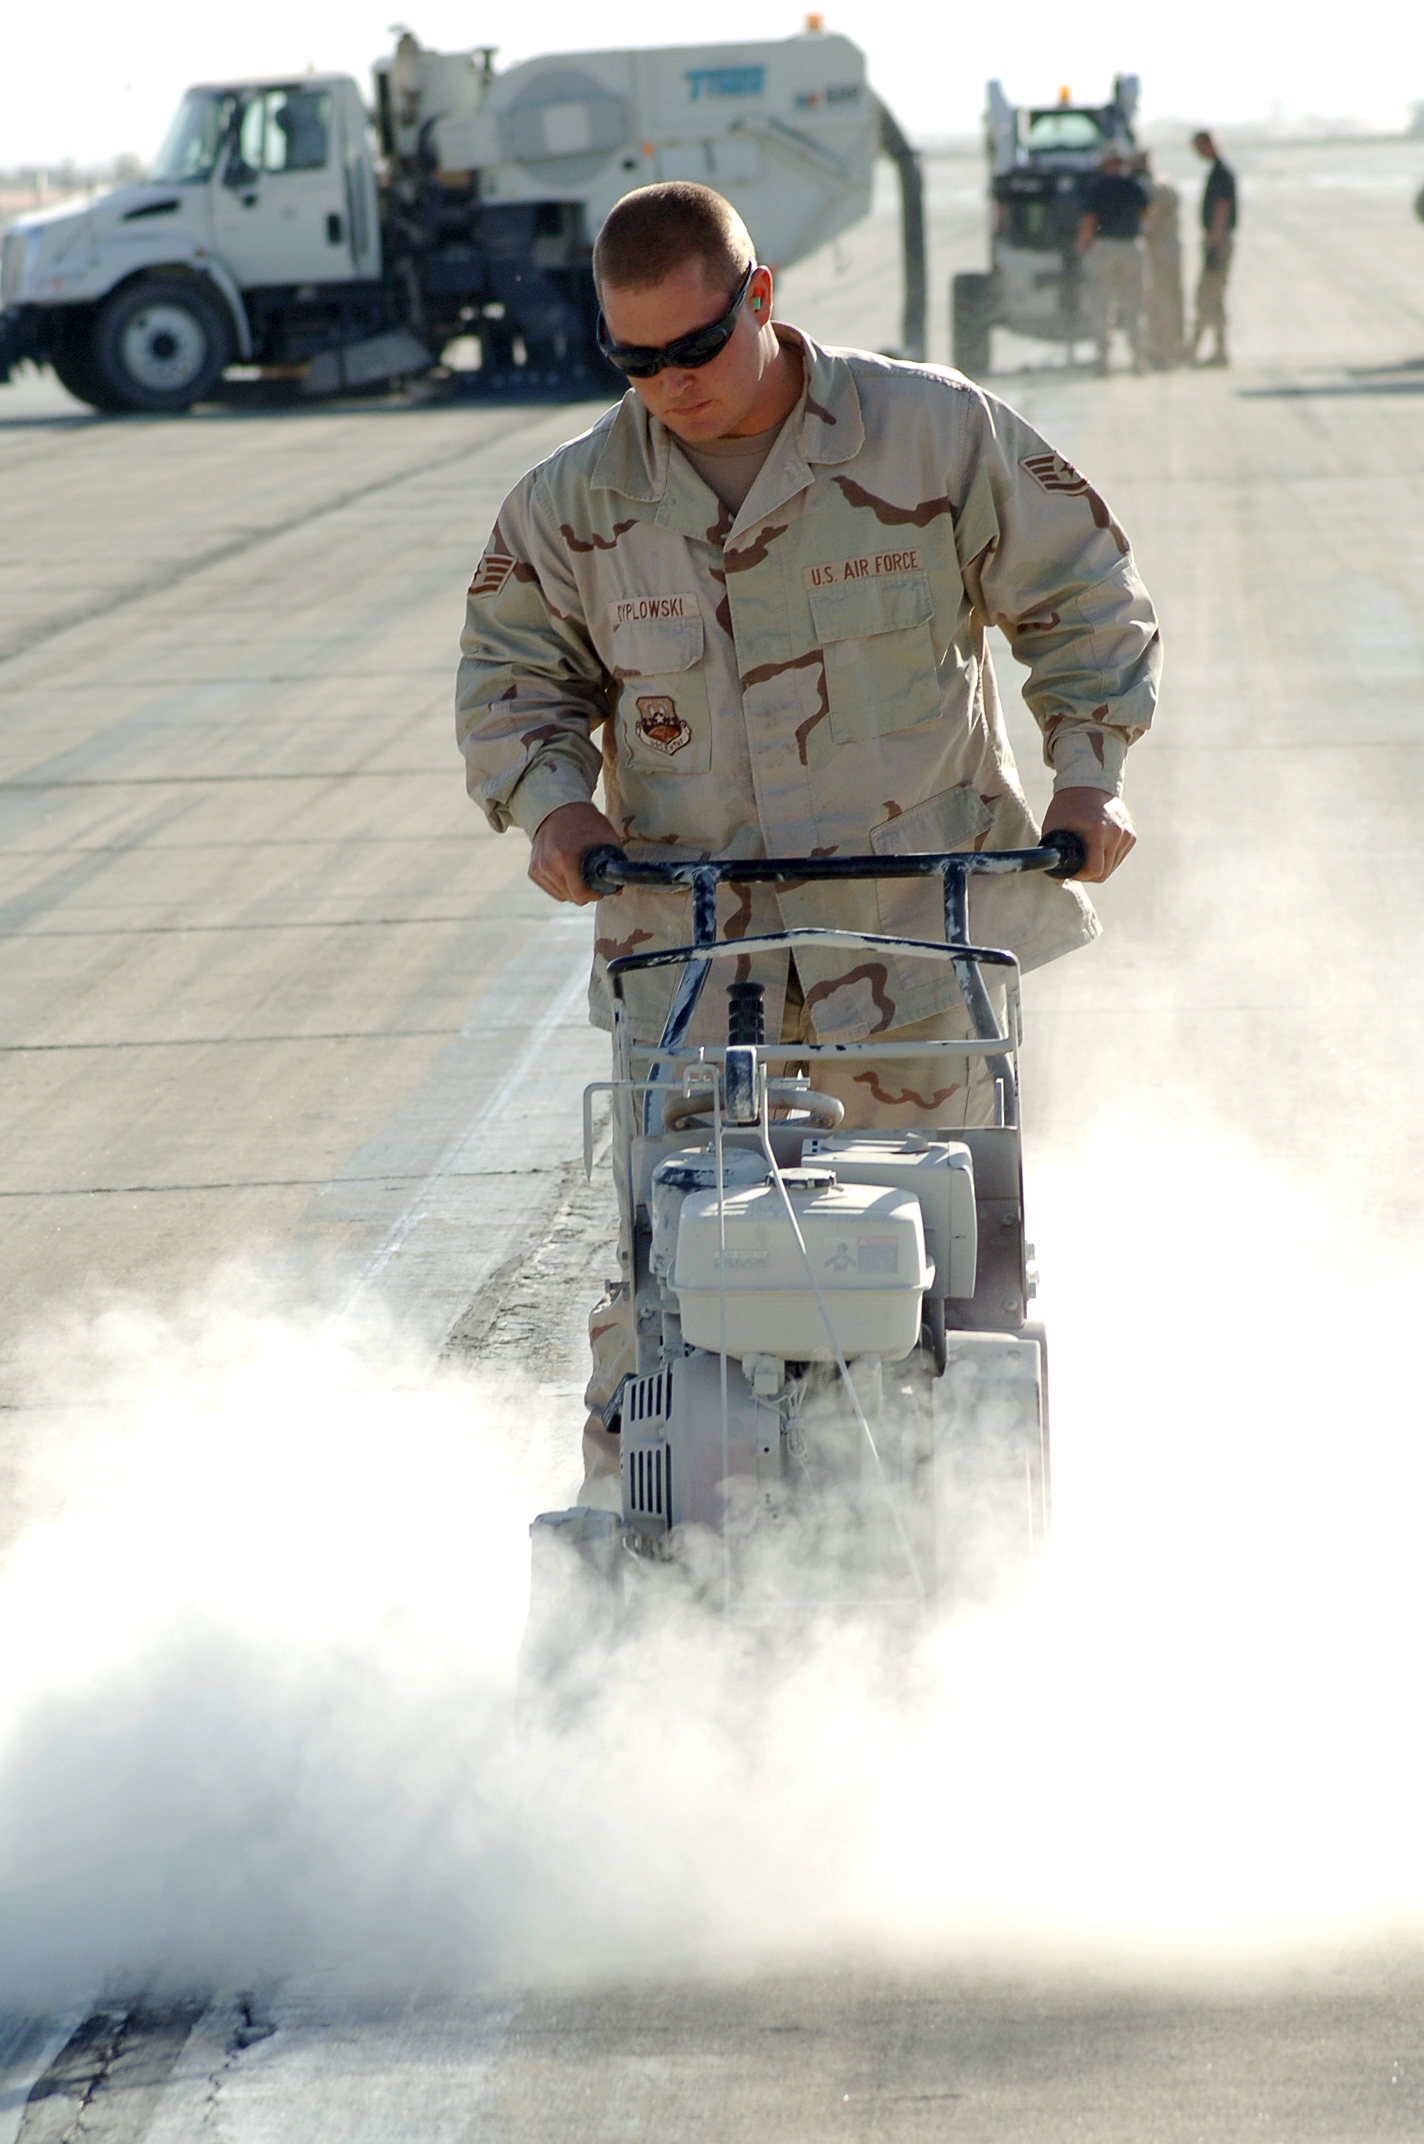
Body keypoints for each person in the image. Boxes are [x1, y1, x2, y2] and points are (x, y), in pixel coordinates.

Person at [455, 182, 1161, 1494]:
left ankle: (958, 1608)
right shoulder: (570, 505)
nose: (667, 385)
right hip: (694, 983)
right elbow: (513, 684)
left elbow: (1085, 598)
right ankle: (638, 1616)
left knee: (955, 1303)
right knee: (665, 1329)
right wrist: (554, 805)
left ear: (760, 298)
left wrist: (1088, 775)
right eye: (634, 359)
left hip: (913, 970)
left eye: (694, 347)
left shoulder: (931, 434)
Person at [1075, 149, 1151, 375]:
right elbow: (1145, 214)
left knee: (1102, 304)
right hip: (1131, 247)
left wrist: (1081, 247)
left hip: (1105, 247)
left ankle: (1103, 361)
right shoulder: (1135, 186)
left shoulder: (1099, 188)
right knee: (1133, 305)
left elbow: (1089, 221)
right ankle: (1138, 360)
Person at [1191, 130, 1237, 366]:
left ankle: (1198, 348)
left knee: (1208, 295)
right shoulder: (1219, 171)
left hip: (1218, 241)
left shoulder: (1221, 173)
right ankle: (1216, 349)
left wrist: (1213, 242)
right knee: (1213, 298)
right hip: (1218, 239)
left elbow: (1221, 208)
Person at [1135, 151, 1185, 370]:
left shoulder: (1151, 187)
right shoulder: (1167, 182)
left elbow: (1148, 223)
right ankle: (1172, 348)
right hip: (1171, 246)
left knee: (1158, 300)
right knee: (1172, 298)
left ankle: (1162, 352)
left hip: (1157, 249)